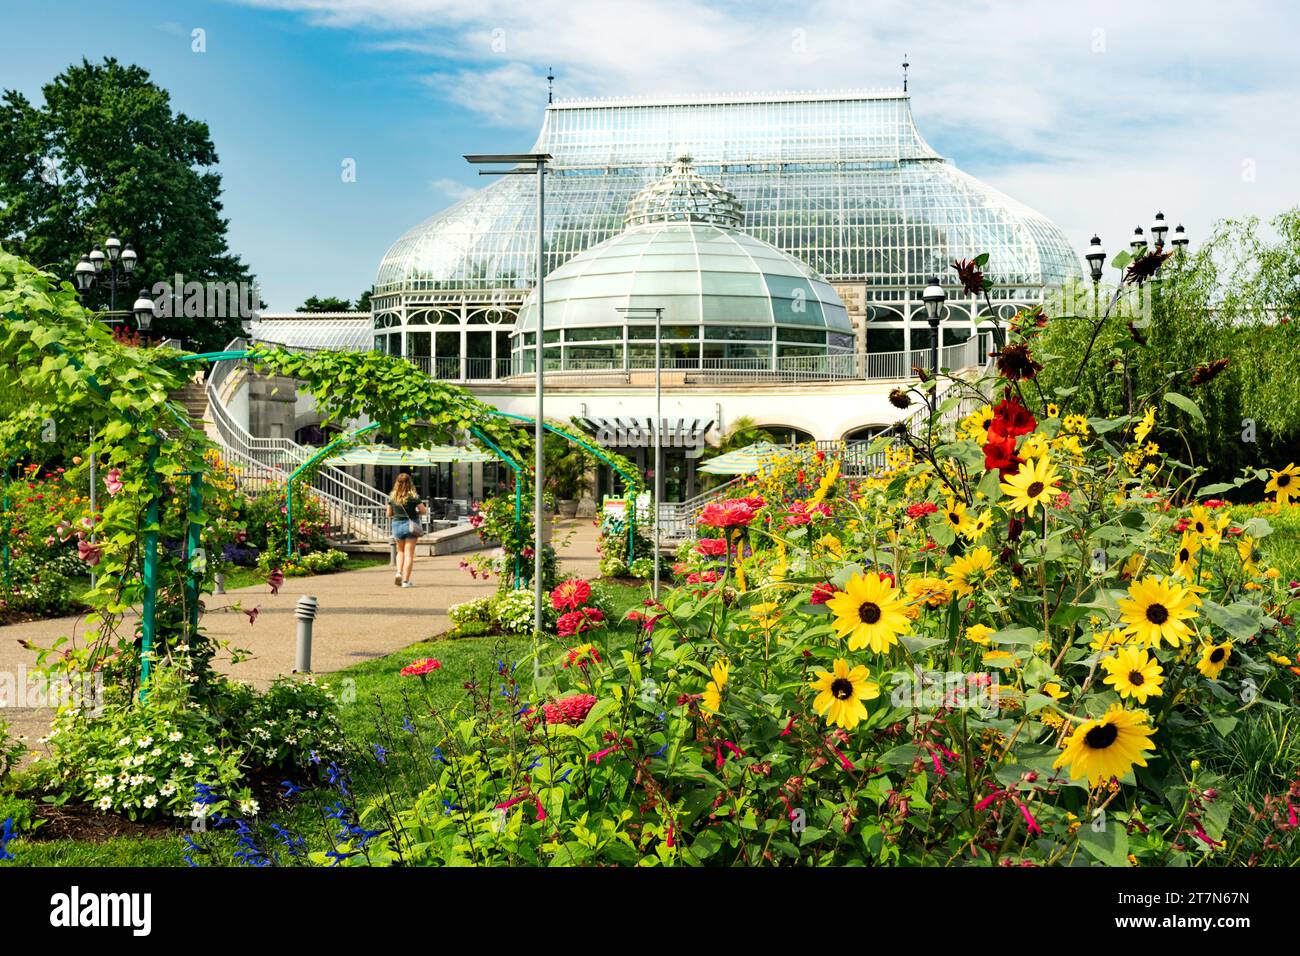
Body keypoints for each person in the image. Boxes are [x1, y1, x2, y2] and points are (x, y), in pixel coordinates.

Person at [387, 472, 425, 588]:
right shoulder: (413, 496)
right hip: (410, 525)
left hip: (397, 525)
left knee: (400, 551)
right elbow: (423, 510)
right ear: (409, 483)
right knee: (409, 555)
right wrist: (415, 513)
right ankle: (405, 581)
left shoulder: (392, 497)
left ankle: (398, 572)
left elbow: (388, 514)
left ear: (397, 483)